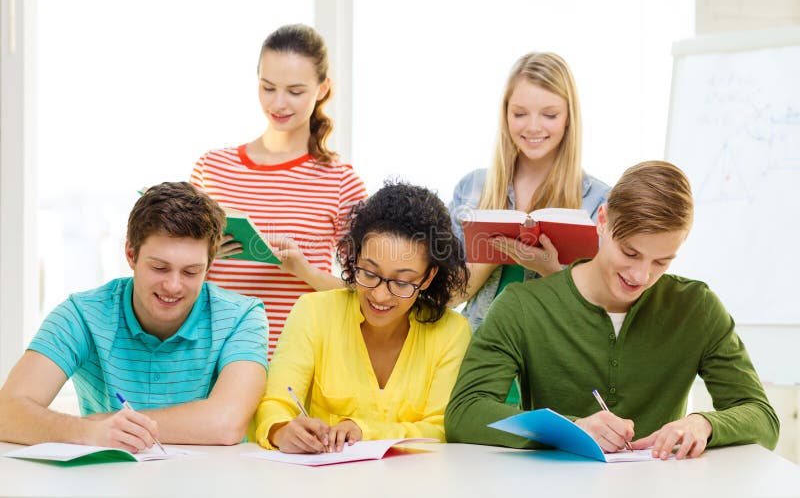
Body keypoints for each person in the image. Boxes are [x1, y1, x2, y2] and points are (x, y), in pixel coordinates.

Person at [445, 161, 779, 460]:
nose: (641, 276)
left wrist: (703, 422)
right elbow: (465, 413)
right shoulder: (522, 306)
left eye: (661, 261)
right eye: (630, 253)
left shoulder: (697, 307)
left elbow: (762, 417)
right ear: (602, 221)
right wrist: (573, 430)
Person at [0, 182, 268, 452]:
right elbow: (7, 412)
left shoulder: (243, 316)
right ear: (131, 254)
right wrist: (87, 431)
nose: (173, 286)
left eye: (190, 272)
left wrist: (106, 422)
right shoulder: (81, 314)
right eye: (160, 268)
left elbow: (226, 423)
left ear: (208, 266)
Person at [253, 182, 472, 453]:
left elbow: (440, 429)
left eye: (402, 282)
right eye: (369, 273)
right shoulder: (313, 311)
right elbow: (274, 404)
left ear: (428, 278)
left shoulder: (451, 332)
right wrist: (281, 430)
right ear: (354, 258)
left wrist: (363, 431)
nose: (380, 296)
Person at [191, 23, 367, 358]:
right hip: (212, 357)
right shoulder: (212, 168)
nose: (279, 103)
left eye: (295, 91)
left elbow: (368, 289)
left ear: (322, 88)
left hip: (295, 360)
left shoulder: (340, 180)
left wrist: (305, 270)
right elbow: (182, 267)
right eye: (268, 87)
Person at [449, 52, 609, 331]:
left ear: (569, 117)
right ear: (505, 113)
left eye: (549, 115)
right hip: (477, 353)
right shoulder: (472, 188)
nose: (533, 127)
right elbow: (445, 296)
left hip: (550, 363)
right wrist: (492, 254)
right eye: (520, 114)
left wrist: (550, 270)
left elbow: (599, 314)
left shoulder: (598, 201)